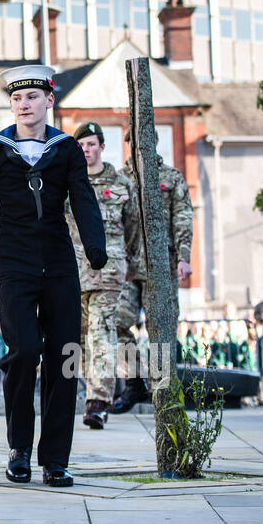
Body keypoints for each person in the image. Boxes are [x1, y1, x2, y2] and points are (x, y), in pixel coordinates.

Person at [0, 65, 106, 487]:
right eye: (16, 99)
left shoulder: (66, 149)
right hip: (13, 262)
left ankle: (55, 459)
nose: (23, 105)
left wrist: (96, 246)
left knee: (65, 356)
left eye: (31, 97)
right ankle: (19, 449)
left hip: (59, 262)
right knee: (24, 350)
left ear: (49, 100)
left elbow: (82, 199)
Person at [65, 121, 140, 429]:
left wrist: (128, 261)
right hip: (75, 269)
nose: (87, 150)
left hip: (109, 269)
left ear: (102, 147)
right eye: (82, 146)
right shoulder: (68, 183)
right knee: (82, 336)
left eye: (92, 144)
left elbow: (133, 227)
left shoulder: (121, 184)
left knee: (101, 330)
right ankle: (92, 394)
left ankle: (98, 401)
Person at [114, 124, 193, 413]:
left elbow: (183, 218)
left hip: (163, 265)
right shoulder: (119, 181)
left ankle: (162, 391)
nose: (139, 148)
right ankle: (134, 384)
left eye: (145, 142)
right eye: (133, 143)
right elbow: (112, 223)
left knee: (161, 329)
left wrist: (184, 257)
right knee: (119, 323)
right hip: (128, 268)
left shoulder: (171, 178)